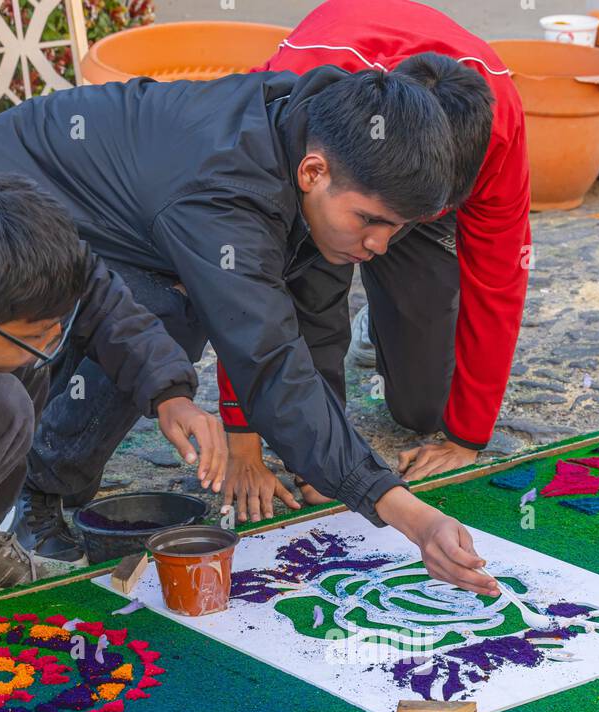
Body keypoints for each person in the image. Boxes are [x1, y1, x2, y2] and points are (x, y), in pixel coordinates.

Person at [0, 64, 498, 596]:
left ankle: (38, 467)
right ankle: (33, 488)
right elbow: (269, 362)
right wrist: (407, 513)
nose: (379, 245)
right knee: (140, 324)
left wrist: (176, 397)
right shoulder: (225, 197)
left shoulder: (316, 133)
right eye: (371, 221)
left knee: (158, 316)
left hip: (98, 219)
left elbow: (311, 331)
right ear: (312, 173)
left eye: (396, 228)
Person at [219, 0, 531, 520]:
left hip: (399, 188)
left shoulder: (499, 125)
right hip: (334, 179)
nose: (383, 240)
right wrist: (242, 435)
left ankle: (378, 324)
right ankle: (319, 437)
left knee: (423, 409)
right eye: (380, 222)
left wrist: (467, 437)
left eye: (411, 218)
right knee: (312, 296)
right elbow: (237, 271)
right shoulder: (306, 90)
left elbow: (499, 279)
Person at [0, 174, 226, 589]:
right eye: (36, 334)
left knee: (9, 392)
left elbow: (105, 305)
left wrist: (171, 393)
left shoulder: (31, 258)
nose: (51, 342)